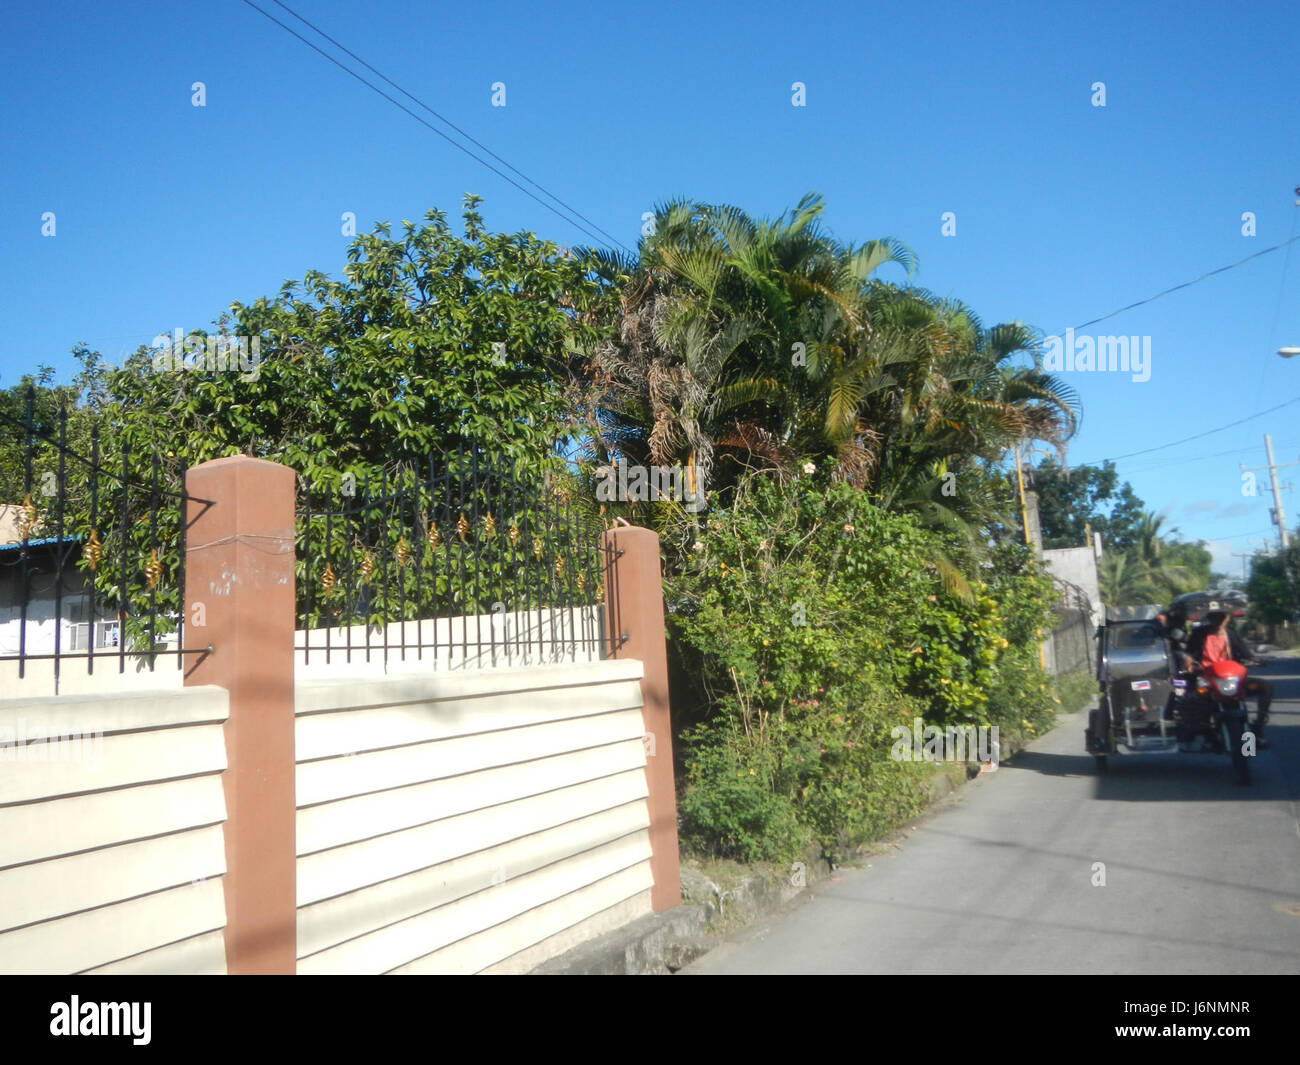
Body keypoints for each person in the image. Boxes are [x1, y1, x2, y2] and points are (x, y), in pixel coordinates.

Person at [1184, 611, 1272, 748]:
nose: (1218, 621)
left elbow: (1246, 653)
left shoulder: (1231, 634)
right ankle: (1208, 735)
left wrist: (1257, 659)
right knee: (1196, 699)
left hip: (1232, 678)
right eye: (1214, 617)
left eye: (1221, 618)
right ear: (1209, 619)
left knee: (1266, 686)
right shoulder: (1199, 634)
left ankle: (1258, 727)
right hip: (1208, 678)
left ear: (1227, 619)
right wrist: (1189, 665)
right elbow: (1189, 654)